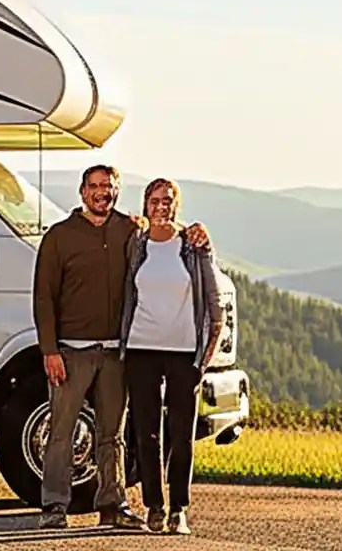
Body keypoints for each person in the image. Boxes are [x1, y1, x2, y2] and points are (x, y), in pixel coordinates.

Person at [32, 164, 209, 530]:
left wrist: (197, 230)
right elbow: (43, 298)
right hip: (70, 351)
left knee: (112, 434)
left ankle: (112, 505)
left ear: (117, 191)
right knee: (62, 431)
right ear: (82, 192)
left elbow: (166, 230)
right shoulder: (59, 237)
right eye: (94, 186)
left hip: (116, 352)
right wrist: (49, 349)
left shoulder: (130, 229)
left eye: (108, 187)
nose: (101, 193)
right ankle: (54, 506)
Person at [119, 178, 227, 535]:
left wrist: (205, 356)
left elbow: (215, 306)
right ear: (146, 204)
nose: (161, 206)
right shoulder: (136, 244)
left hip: (184, 353)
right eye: (154, 200)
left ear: (176, 205)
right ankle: (153, 506)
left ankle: (178, 508)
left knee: (181, 433)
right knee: (146, 433)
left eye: (167, 200)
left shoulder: (193, 246)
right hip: (141, 347)